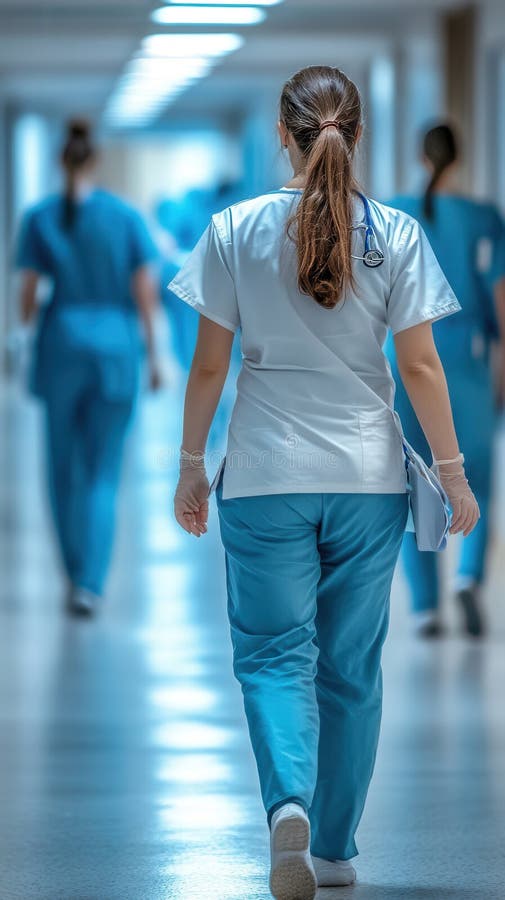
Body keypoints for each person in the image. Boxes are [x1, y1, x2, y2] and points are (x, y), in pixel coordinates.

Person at [170, 67, 479, 900]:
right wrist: (452, 474)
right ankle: (335, 849)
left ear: (283, 133)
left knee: (274, 656)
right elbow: (419, 366)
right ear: (358, 133)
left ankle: (288, 809)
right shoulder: (396, 233)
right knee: (348, 667)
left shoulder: (233, 228)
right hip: (366, 481)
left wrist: (191, 466)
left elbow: (208, 366)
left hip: (264, 477)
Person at [16, 120, 161, 617]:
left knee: (63, 470)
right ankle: (91, 585)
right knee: (103, 471)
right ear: (94, 161)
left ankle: (74, 572)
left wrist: (23, 336)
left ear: (61, 161)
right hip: (116, 351)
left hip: (60, 348)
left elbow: (29, 292)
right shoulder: (125, 217)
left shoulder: (39, 218)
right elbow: (144, 291)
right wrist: (155, 356)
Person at [385, 124, 505, 639]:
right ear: (459, 159)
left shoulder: (393, 213)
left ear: (421, 156)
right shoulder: (483, 219)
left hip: (403, 359)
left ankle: (426, 607)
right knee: (476, 474)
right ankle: (468, 575)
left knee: (413, 480)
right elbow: (500, 299)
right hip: (467, 360)